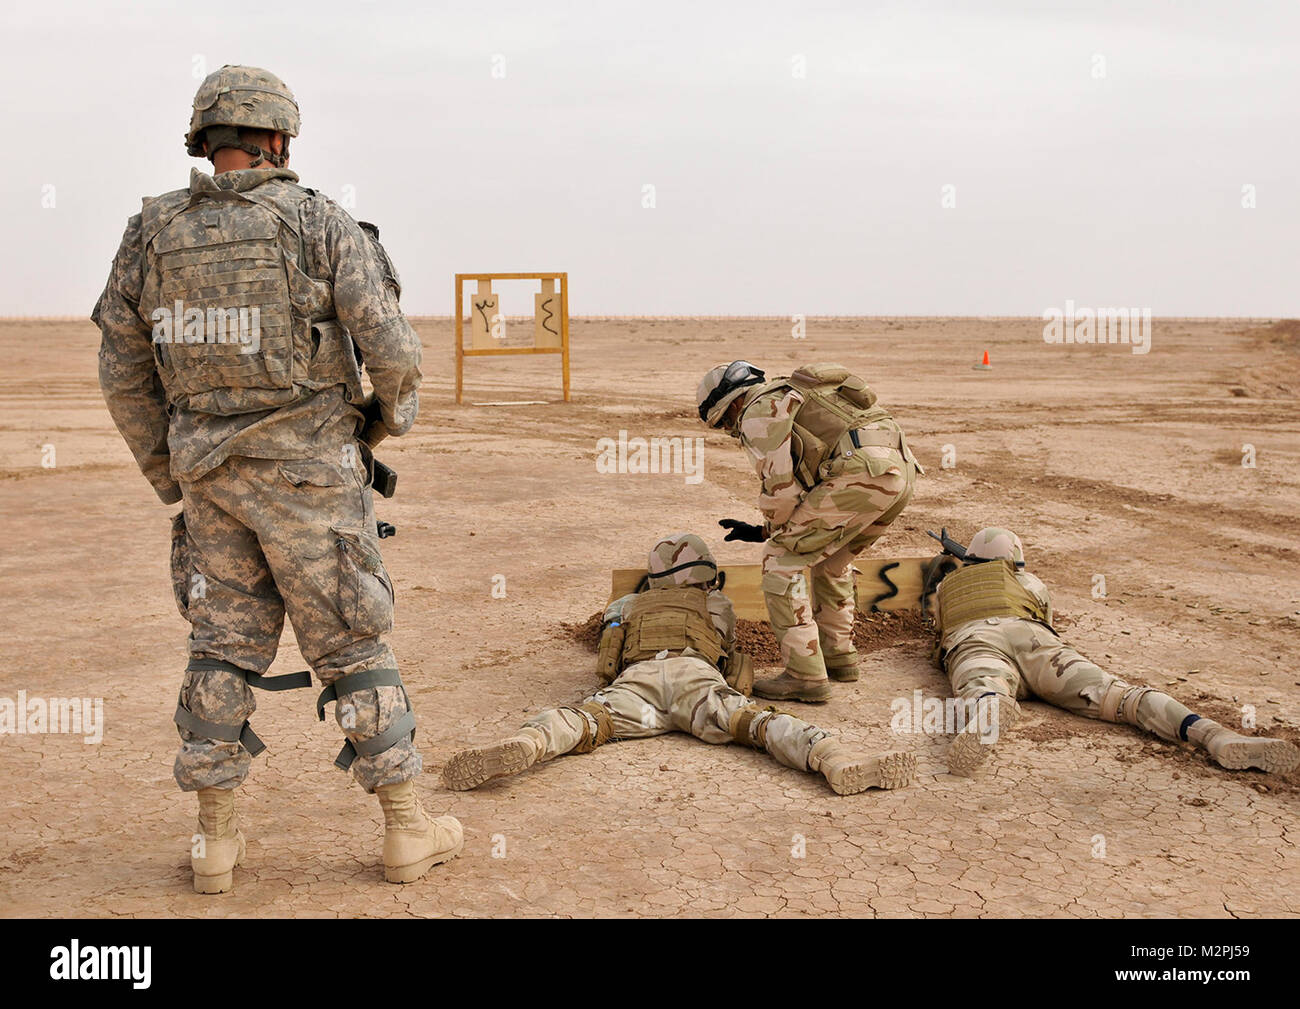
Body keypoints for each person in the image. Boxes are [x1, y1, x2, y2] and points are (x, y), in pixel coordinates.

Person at [93, 65, 460, 891]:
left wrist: (169, 469)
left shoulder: (148, 233)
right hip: (311, 478)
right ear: (279, 139)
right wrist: (380, 420)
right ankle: (407, 830)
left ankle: (214, 845)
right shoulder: (320, 222)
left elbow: (121, 371)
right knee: (354, 642)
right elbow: (395, 351)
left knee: (221, 642)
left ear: (203, 140)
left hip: (209, 478)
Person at [443, 534, 917, 796]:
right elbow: (727, 650)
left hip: (639, 684)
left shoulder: (627, 605)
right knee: (758, 725)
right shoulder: (717, 606)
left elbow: (607, 657)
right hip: (696, 682)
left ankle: (529, 742)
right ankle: (831, 759)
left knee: (584, 718)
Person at [924, 527, 1300, 777]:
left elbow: (938, 628)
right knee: (1121, 697)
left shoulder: (948, 587)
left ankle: (990, 707)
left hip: (977, 639)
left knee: (980, 684)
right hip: (1035, 641)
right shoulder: (1031, 582)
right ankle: (1213, 735)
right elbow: (1045, 618)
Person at [697, 361, 921, 702]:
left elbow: (782, 491)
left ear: (733, 403)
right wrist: (763, 530)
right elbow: (807, 502)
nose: (731, 430)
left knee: (780, 562)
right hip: (898, 473)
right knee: (832, 561)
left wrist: (772, 536)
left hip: (860, 476)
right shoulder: (796, 393)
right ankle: (838, 656)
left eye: (726, 421)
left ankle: (805, 676)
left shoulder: (759, 410)